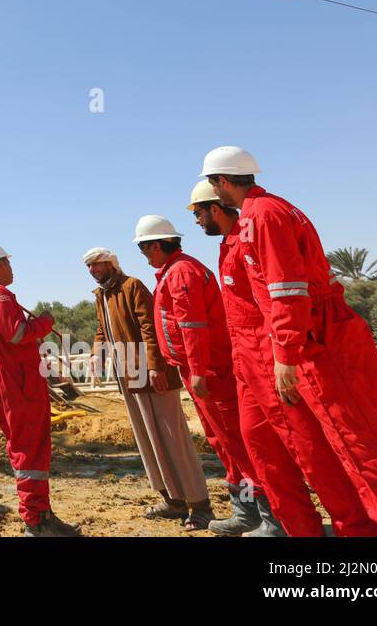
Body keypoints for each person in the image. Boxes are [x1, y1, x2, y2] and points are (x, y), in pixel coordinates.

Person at [202, 146, 377, 536]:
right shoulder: (264, 213)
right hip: (312, 340)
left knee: (371, 456)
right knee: (354, 455)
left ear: (221, 183)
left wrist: (284, 352)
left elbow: (286, 289)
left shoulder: (264, 216)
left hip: (320, 341)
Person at [188, 180, 377, 537]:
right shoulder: (231, 244)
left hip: (270, 361)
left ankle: (356, 527)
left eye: (197, 212)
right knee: (259, 448)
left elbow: (283, 296)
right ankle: (295, 528)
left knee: (309, 452)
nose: (196, 221)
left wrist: (283, 355)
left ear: (215, 206)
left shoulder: (255, 230)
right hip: (246, 366)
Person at [134, 215, 259, 532]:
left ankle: (258, 514)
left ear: (161, 244)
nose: (144, 255)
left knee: (235, 443)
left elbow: (193, 327)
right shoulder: (174, 272)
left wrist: (200, 371)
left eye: (145, 247)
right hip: (198, 371)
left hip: (210, 371)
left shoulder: (182, 273)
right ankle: (245, 510)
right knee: (222, 442)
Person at [83, 247, 212, 526]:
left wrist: (155, 366)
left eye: (97, 265)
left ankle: (200, 503)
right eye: (89, 267)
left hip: (153, 375)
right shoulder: (101, 296)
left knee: (172, 437)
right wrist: (97, 352)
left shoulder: (133, 287)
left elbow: (150, 327)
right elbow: (102, 329)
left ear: (111, 264)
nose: (93, 271)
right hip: (128, 376)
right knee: (149, 441)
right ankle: (173, 500)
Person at [0, 243, 79, 537]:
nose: (12, 269)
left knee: (20, 443)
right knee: (31, 446)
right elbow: (17, 334)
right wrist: (44, 322)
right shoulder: (0, 294)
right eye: (8, 263)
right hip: (18, 378)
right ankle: (36, 520)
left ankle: (39, 513)